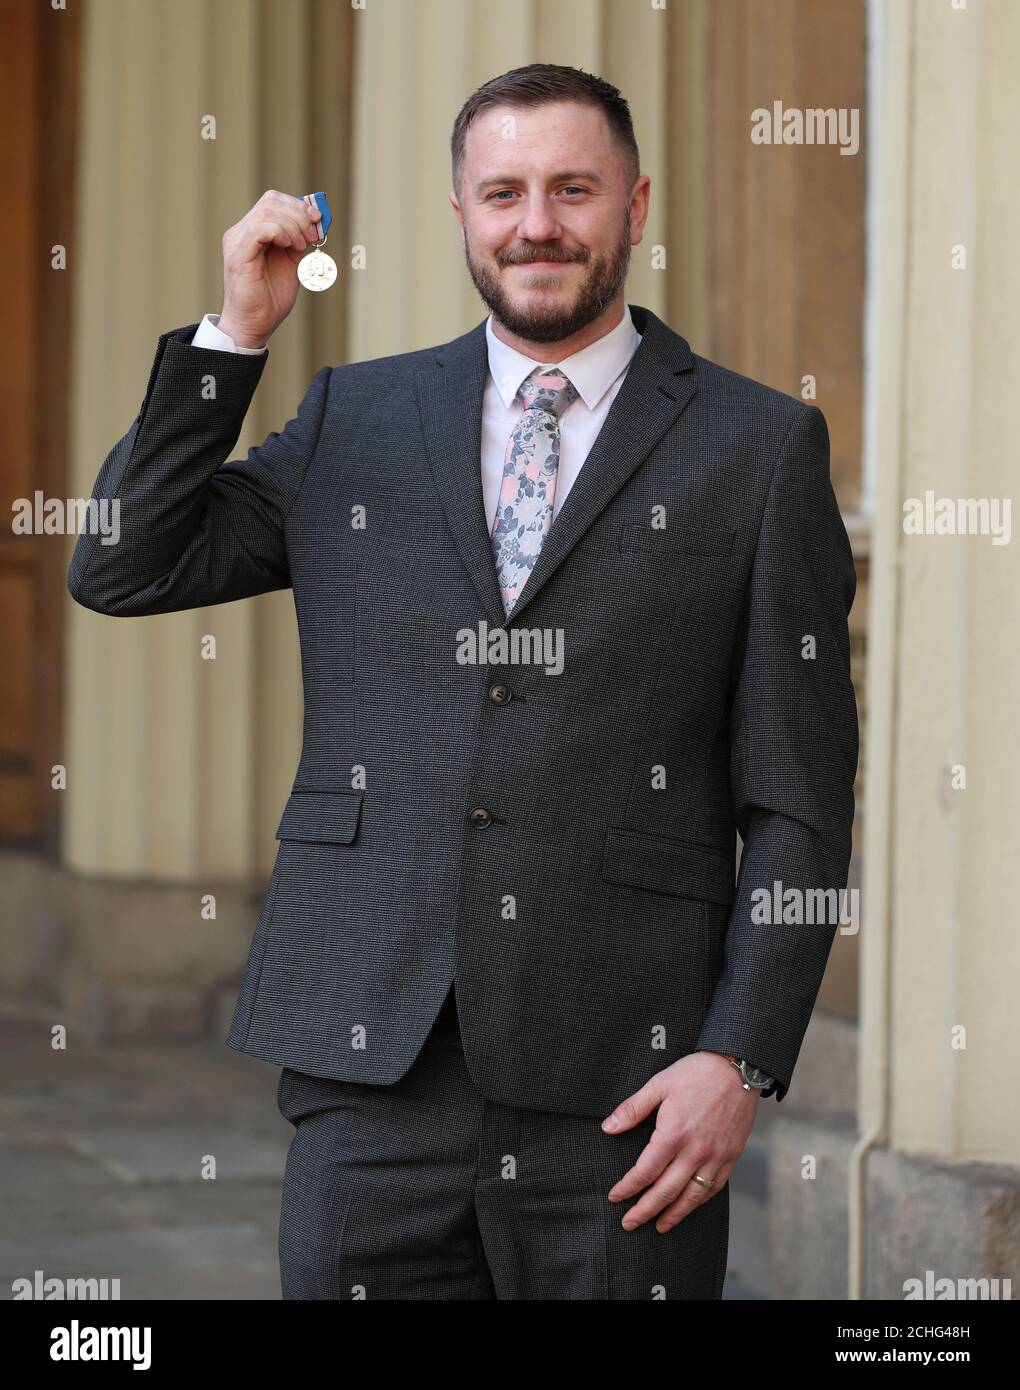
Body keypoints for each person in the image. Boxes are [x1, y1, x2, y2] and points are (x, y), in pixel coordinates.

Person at [68, 63, 858, 1300]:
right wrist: (235, 337)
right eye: (503, 191)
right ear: (461, 217)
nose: (536, 221)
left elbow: (802, 799)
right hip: (366, 1061)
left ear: (636, 207)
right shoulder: (354, 418)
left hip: (623, 1082)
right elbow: (121, 565)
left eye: (572, 188)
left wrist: (739, 1059)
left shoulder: (757, 448)